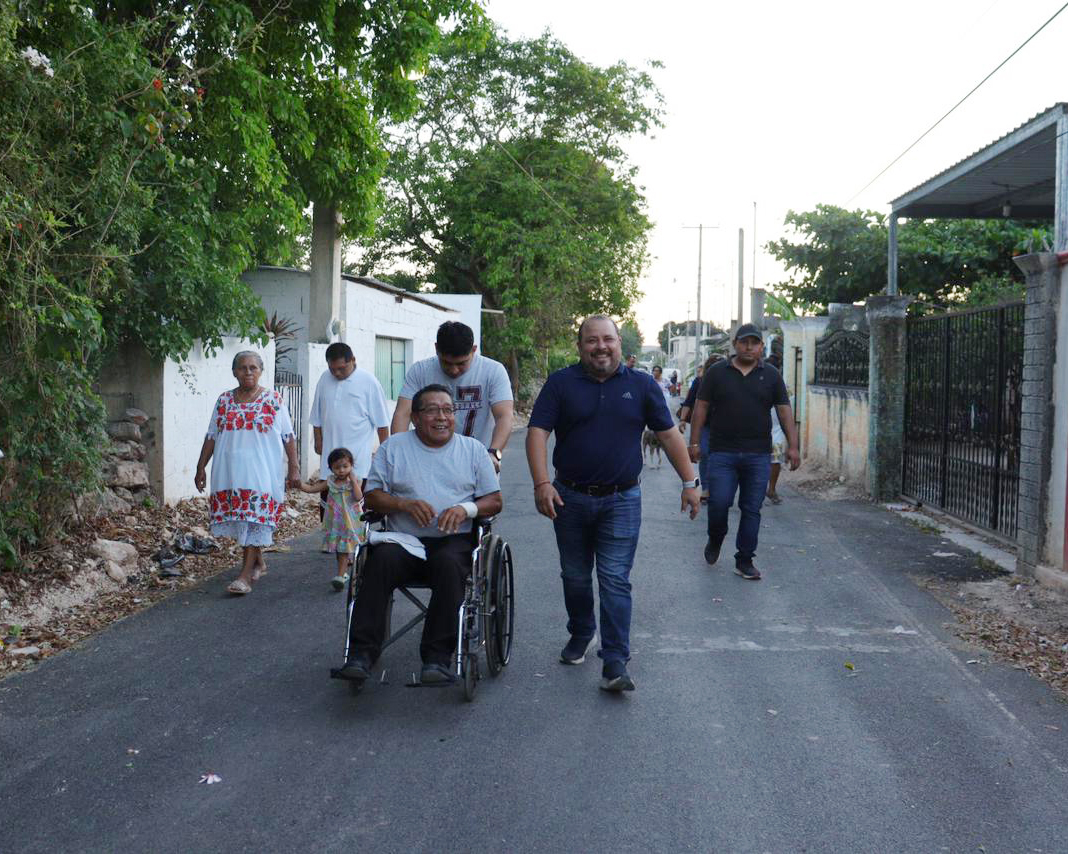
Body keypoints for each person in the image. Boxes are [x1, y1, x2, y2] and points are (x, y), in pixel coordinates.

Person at [526, 315, 700, 693]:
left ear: (620, 343)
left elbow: (668, 435)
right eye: (592, 341)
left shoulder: (642, 386)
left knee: (614, 579)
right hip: (568, 497)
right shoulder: (561, 384)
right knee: (574, 576)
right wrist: (542, 483)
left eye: (608, 339)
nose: (600, 347)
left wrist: (690, 482)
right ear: (580, 346)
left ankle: (615, 660)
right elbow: (538, 432)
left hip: (622, 499)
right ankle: (582, 631)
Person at [337, 384, 503, 684]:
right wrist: (402, 504)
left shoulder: (473, 450)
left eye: (448, 410)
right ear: (414, 417)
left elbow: (494, 500)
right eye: (432, 410)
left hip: (452, 540)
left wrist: (466, 509)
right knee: (380, 561)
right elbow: (372, 497)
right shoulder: (394, 448)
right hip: (404, 541)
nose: (442, 417)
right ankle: (361, 654)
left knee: (449, 565)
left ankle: (437, 659)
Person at [688, 324, 800, 581]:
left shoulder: (771, 375)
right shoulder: (717, 373)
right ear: (735, 344)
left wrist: (793, 447)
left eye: (754, 342)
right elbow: (701, 407)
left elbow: (784, 411)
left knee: (752, 508)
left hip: (757, 455)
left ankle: (745, 559)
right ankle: (716, 538)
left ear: (761, 347)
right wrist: (694, 443)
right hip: (722, 453)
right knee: (719, 503)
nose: (749, 347)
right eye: (744, 342)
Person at [194, 351, 300, 595]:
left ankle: (245, 575)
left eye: (253, 367)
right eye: (243, 368)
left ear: (261, 371)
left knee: (253, 516)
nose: (248, 372)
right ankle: (258, 563)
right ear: (234, 372)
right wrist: (201, 467)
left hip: (262, 471)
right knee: (244, 517)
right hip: (230, 471)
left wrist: (293, 466)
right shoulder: (223, 401)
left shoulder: (273, 400)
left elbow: (288, 435)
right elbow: (211, 435)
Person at [391, 321, 514, 471]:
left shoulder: (493, 371)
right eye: (447, 363)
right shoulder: (420, 371)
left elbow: (504, 416)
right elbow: (402, 414)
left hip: (477, 464)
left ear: (474, 350)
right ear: (436, 349)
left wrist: (495, 453)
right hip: (428, 464)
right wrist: (399, 452)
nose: (454, 370)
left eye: (461, 363)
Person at [309, 342, 390, 487]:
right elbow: (317, 414)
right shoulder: (324, 378)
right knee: (328, 507)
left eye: (341, 368)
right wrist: (318, 439)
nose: (337, 373)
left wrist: (384, 456)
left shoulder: (369, 382)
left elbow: (382, 423)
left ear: (353, 360)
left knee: (356, 507)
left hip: (358, 466)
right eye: (332, 369)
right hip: (329, 465)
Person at [298, 447, 366, 590]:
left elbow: (358, 497)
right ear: (330, 468)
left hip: (352, 521)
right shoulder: (330, 482)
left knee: (347, 548)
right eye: (337, 467)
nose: (341, 470)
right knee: (340, 548)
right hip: (337, 522)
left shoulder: (356, 480)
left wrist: (353, 481)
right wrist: (299, 485)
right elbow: (312, 489)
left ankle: (343, 574)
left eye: (345, 466)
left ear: (351, 466)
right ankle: (342, 574)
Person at [679, 354, 724, 503]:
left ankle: (719, 487)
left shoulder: (730, 381)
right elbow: (689, 402)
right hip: (704, 425)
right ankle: (706, 487)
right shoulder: (699, 382)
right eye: (714, 365)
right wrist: (683, 420)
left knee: (721, 456)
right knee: (705, 453)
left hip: (725, 427)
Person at [765, 354, 788, 505]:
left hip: (774, 429)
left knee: (772, 461)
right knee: (774, 461)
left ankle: (770, 489)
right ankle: (770, 489)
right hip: (772, 429)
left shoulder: (782, 386)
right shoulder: (784, 386)